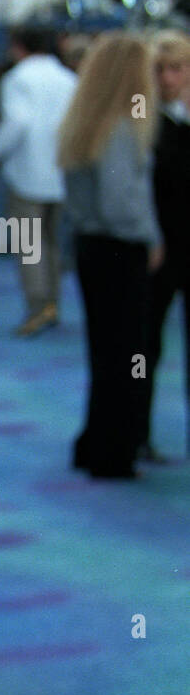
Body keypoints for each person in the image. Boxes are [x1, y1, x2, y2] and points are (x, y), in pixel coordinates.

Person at [59, 33, 162, 479]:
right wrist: (152, 237)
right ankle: (114, 450)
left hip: (93, 248)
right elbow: (123, 203)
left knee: (106, 353)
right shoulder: (122, 128)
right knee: (127, 353)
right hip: (121, 250)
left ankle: (96, 442)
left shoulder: (86, 122)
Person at [0, 25, 77, 336]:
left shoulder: (18, 78)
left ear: (18, 46)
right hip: (62, 173)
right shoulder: (68, 78)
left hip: (28, 174)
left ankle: (37, 308)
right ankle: (52, 304)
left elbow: (17, 123)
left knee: (31, 246)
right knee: (52, 243)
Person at [138, 29, 190, 461]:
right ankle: (138, 433)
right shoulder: (144, 122)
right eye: (161, 69)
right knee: (145, 346)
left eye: (177, 68)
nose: (169, 77)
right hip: (158, 251)